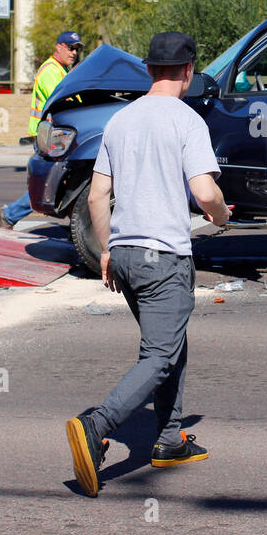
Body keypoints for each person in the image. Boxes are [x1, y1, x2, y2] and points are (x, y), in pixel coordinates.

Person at [66, 31, 231, 498]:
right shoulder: (187, 120)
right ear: (188, 71)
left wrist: (105, 250)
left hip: (125, 256)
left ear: (148, 70)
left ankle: (168, 439)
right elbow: (204, 192)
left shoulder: (119, 121)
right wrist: (220, 216)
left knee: (168, 345)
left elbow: (98, 193)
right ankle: (97, 424)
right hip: (164, 260)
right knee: (159, 355)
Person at [0, 30, 82, 229]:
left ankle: (76, 225)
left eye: (76, 49)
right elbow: (63, 100)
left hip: (56, 136)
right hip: (47, 138)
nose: (74, 53)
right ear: (58, 47)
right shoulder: (50, 71)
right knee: (48, 184)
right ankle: (9, 216)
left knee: (59, 181)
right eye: (70, 48)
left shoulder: (61, 70)